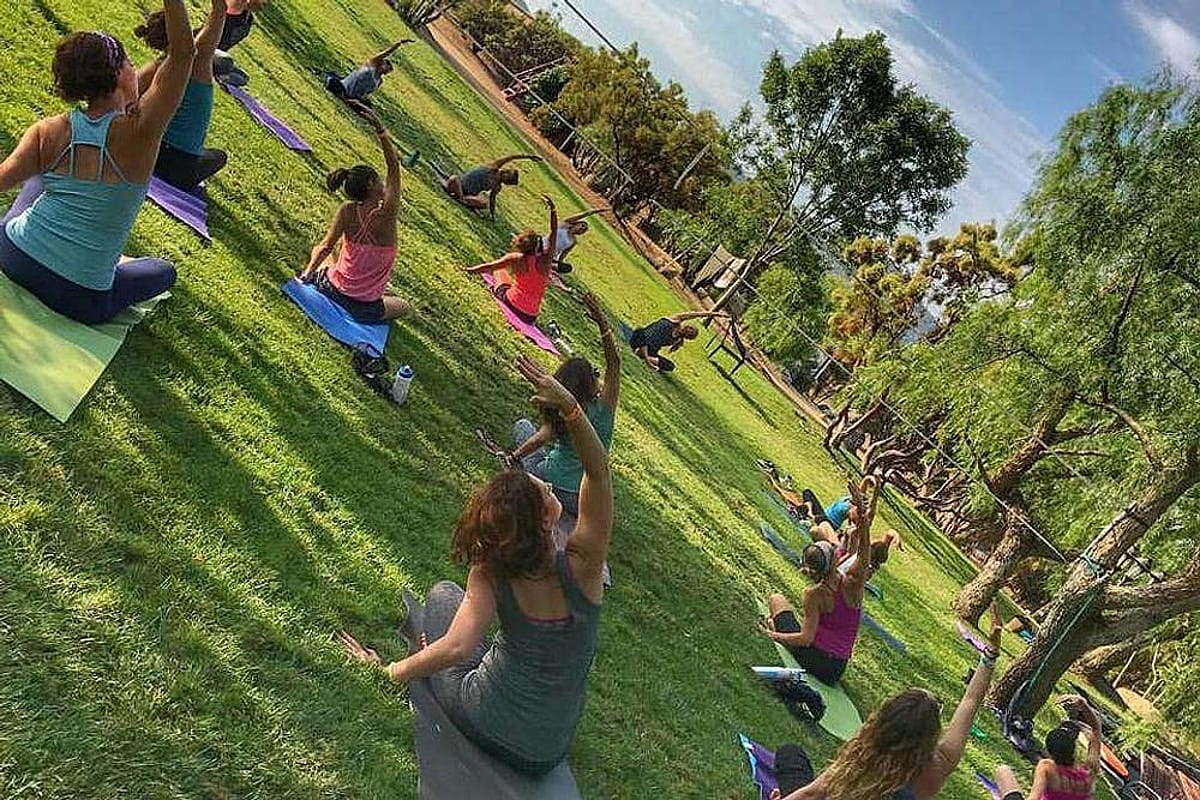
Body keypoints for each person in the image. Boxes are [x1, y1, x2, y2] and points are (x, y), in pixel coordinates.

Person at [337, 353, 614, 777]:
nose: (541, 481)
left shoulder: (491, 568)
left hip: (484, 719)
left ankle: (454, 668)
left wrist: (389, 670)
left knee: (445, 595)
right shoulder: (586, 565)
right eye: (540, 486)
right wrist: (572, 410)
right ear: (546, 518)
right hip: (546, 753)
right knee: (482, 639)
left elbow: (458, 648)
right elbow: (599, 475)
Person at [0, 3, 194, 325]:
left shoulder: (48, 131)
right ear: (119, 73)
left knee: (38, 182)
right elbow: (184, 55)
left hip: (13, 255)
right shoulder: (141, 131)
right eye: (131, 63)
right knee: (163, 271)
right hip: (80, 297)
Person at [772, 604, 1004, 800]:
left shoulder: (864, 751)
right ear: (929, 735)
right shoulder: (934, 769)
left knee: (790, 754)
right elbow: (970, 703)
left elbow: (814, 792)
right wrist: (990, 657)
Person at [508, 292, 619, 518]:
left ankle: (531, 479)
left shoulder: (562, 409)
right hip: (584, 501)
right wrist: (602, 323)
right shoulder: (605, 407)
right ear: (591, 382)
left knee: (523, 426)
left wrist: (513, 457)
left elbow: (538, 439)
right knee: (546, 450)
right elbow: (614, 363)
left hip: (552, 485)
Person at [760, 476, 877, 685]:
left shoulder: (813, 594)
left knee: (777, 599)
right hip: (834, 670)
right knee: (791, 620)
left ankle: (773, 624)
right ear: (833, 559)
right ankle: (775, 625)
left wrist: (772, 635)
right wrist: (865, 522)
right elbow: (864, 553)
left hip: (812, 657)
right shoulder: (851, 586)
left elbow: (805, 639)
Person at [299, 106, 410, 322]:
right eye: (378, 180)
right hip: (361, 308)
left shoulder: (347, 210)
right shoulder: (386, 215)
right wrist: (381, 131)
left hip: (330, 290)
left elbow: (325, 247)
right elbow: (394, 170)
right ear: (371, 184)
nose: (382, 183)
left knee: (322, 252)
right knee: (403, 306)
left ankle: (347, 286)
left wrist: (306, 276)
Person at [136, 0, 229, 191]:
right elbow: (219, 14)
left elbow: (125, 100)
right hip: (176, 168)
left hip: (145, 154)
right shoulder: (196, 62)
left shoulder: (153, 69)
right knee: (219, 156)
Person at [465, 195, 558, 324]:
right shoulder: (545, 261)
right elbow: (554, 233)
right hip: (530, 316)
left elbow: (490, 267)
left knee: (499, 272)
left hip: (512, 303)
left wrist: (469, 270)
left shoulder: (514, 258)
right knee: (510, 281)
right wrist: (553, 211)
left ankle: (505, 290)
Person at [994, 697, 1101, 800]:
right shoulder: (1089, 771)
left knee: (1003, 771)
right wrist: (1083, 705)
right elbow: (1096, 729)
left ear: (1049, 751)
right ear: (1074, 749)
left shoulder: (1047, 767)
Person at [629, 309, 729, 373]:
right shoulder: (676, 340)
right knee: (669, 366)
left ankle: (643, 355)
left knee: (640, 331)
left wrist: (714, 314)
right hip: (646, 347)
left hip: (641, 342)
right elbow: (695, 314)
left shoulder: (674, 320)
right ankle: (648, 358)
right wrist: (648, 360)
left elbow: (694, 314)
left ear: (685, 326)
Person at [444, 154, 542, 219]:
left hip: (468, 194)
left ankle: (462, 199)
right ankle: (462, 199)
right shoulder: (493, 168)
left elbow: (492, 199)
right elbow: (511, 157)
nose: (507, 178)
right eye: (509, 175)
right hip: (458, 185)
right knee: (453, 179)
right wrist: (528, 156)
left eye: (509, 180)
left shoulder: (497, 187)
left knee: (484, 203)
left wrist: (492, 215)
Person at [324, 40, 413, 104]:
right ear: (381, 63)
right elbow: (386, 53)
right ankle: (344, 99)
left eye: (389, 70)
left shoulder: (379, 81)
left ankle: (348, 100)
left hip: (353, 96)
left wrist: (361, 98)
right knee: (333, 82)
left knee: (367, 105)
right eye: (387, 66)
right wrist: (399, 44)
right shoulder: (371, 65)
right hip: (343, 87)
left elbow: (366, 93)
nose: (387, 70)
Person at [212, 0, 266, 86]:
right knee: (227, 62)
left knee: (243, 78)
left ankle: (218, 72)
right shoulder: (236, 5)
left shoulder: (248, 19)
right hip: (206, 49)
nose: (264, 4)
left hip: (217, 53)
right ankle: (214, 71)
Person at [541, 207, 606, 274]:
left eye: (584, 230)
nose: (582, 228)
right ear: (576, 224)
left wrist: (560, 263)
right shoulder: (563, 226)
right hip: (543, 246)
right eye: (582, 225)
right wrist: (595, 211)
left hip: (551, 256)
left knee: (568, 268)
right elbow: (581, 215)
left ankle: (550, 265)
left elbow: (564, 253)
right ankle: (547, 264)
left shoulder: (573, 241)